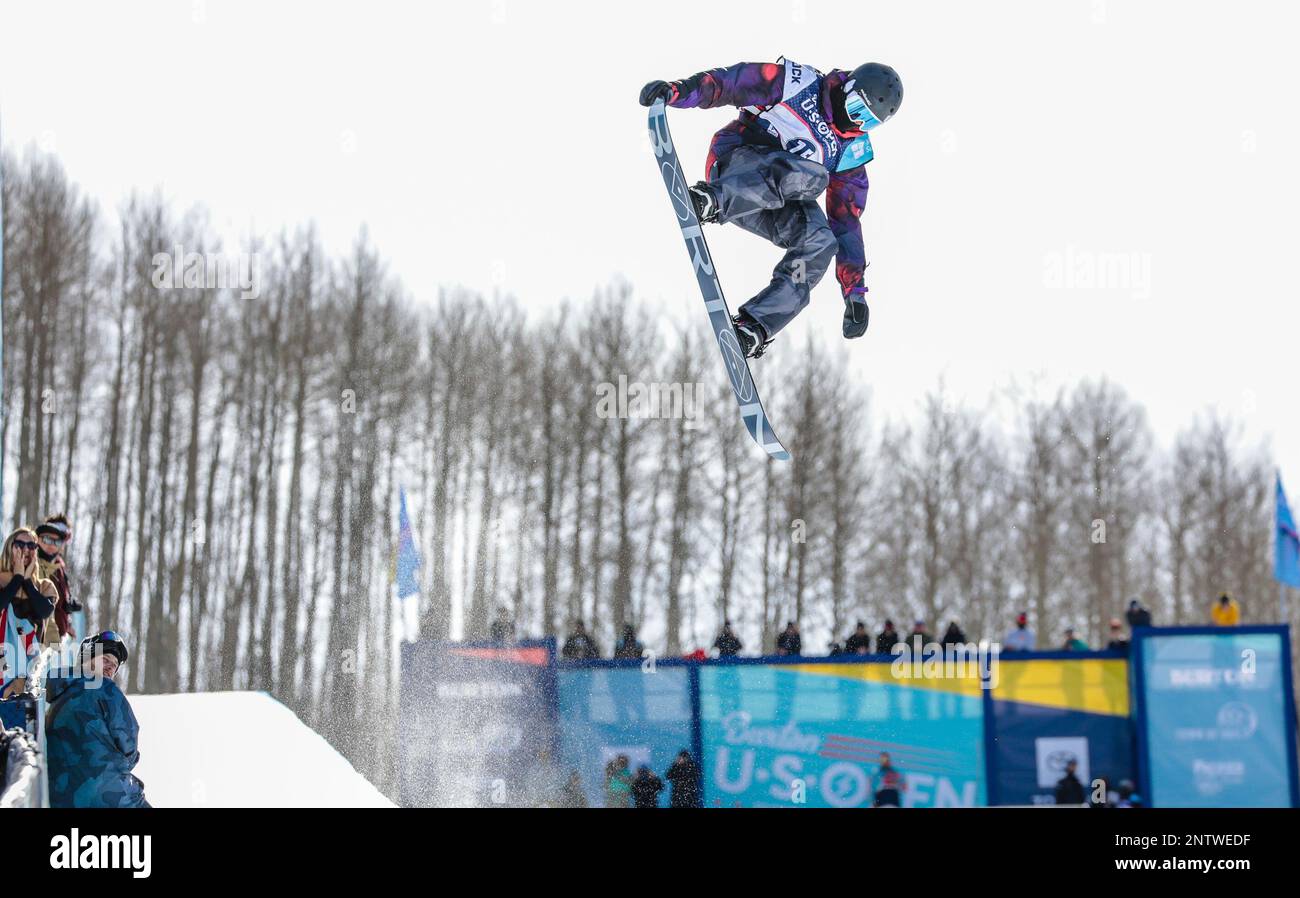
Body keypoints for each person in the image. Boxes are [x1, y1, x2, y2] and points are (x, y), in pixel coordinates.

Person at [639, 59, 903, 358]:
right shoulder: (799, 85)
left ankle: (756, 326)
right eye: (856, 108)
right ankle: (712, 200)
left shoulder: (850, 152)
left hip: (768, 204)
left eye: (866, 122)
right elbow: (730, 84)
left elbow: (846, 221)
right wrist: (677, 91)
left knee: (821, 242)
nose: (854, 123)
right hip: (735, 167)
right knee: (814, 176)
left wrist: (854, 291)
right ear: (847, 89)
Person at [44, 631, 150, 808]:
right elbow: (129, 741)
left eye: (114, 666)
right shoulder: (106, 689)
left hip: (61, 799)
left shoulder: (55, 699)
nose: (110, 668)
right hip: (112, 797)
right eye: (106, 660)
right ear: (87, 658)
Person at [0, 528, 59, 697]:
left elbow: (43, 611)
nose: (26, 549)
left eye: (31, 545)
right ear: (9, 547)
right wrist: (17, 578)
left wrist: (27, 581)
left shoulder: (44, 586)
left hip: (29, 664)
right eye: (20, 544)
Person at [36, 516, 80, 640]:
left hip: (55, 639)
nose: (52, 544)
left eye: (59, 538)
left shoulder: (59, 568)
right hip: (37, 640)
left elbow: (60, 605)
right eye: (48, 538)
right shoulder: (33, 565)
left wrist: (68, 623)